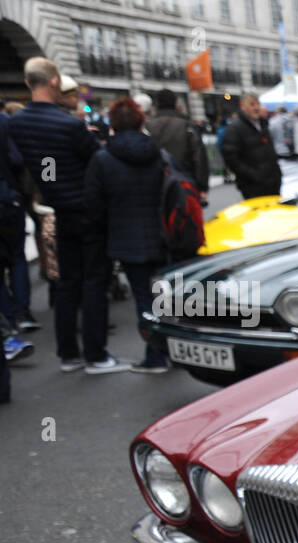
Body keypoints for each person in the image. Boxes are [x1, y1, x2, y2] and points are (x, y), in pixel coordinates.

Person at [10, 58, 132, 373]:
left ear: (27, 83)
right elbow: (97, 159)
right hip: (86, 209)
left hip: (58, 207)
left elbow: (40, 164)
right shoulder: (69, 124)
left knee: (67, 283)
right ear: (54, 82)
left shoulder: (18, 123)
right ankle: (96, 355)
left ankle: (69, 354)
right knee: (94, 282)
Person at [84, 97, 171, 373]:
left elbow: (94, 204)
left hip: (125, 235)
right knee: (163, 295)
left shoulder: (102, 159)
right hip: (162, 232)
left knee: (144, 297)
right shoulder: (157, 153)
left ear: (112, 124)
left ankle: (156, 356)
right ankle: (171, 349)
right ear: (140, 119)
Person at [0, 107, 32, 369]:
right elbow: (18, 159)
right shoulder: (5, 123)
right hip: (7, 198)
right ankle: (21, 312)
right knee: (17, 257)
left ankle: (9, 318)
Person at [146, 88, 209, 203]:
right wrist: (202, 186)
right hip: (184, 182)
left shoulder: (147, 126)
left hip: (156, 183)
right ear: (175, 103)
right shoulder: (186, 125)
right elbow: (199, 156)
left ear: (156, 104)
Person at [220, 94, 281, 200]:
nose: (256, 107)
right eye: (252, 104)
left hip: (272, 182)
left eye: (258, 104)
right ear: (243, 106)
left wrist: (277, 173)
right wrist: (253, 175)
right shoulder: (234, 128)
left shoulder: (263, 124)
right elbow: (231, 158)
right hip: (253, 186)